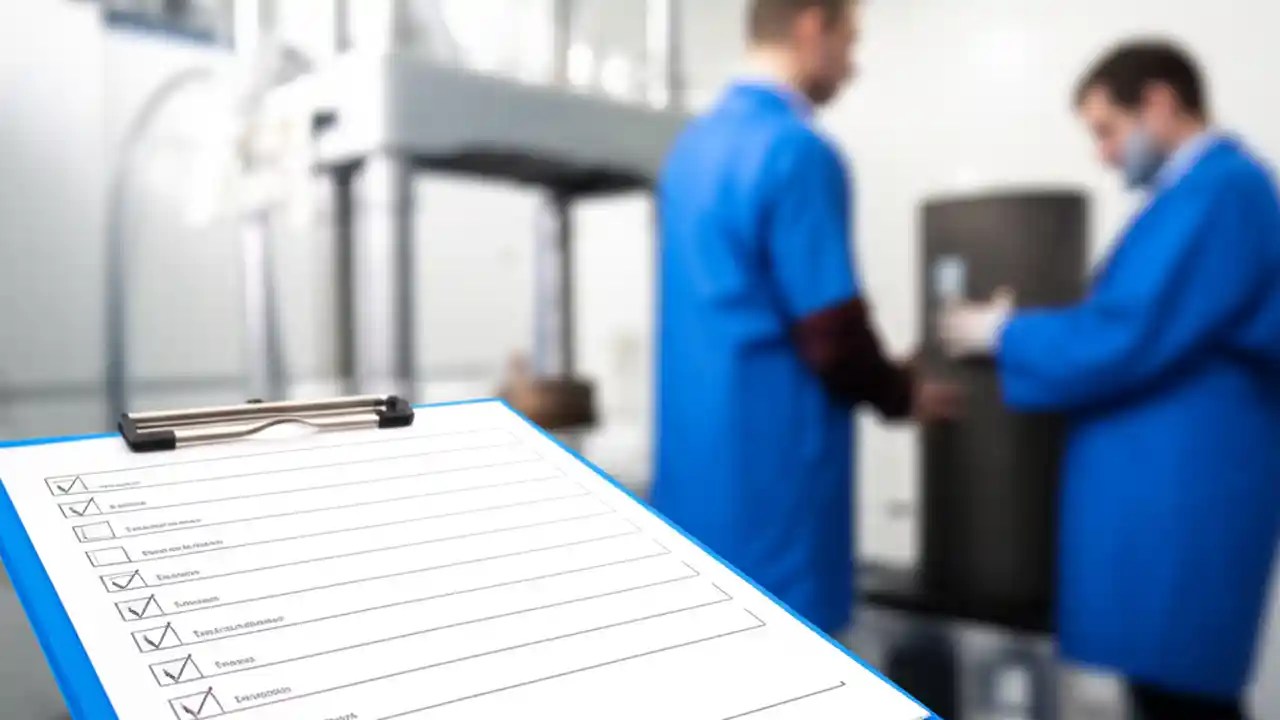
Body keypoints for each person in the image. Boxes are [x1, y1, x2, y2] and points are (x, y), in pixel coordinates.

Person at [941, 41, 1280, 720]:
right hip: (1165, 497)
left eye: (1107, 130)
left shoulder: (1223, 192)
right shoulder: (1191, 196)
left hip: (1184, 500)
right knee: (1164, 692)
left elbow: (1127, 331)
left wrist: (1002, 333)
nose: (1102, 153)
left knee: (1182, 698)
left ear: (1159, 103)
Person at [652, 0, 959, 637]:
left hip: (696, 494)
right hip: (775, 497)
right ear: (812, 25)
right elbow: (832, 335)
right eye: (850, 40)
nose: (853, 64)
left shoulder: (688, 152)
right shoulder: (797, 151)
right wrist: (902, 393)